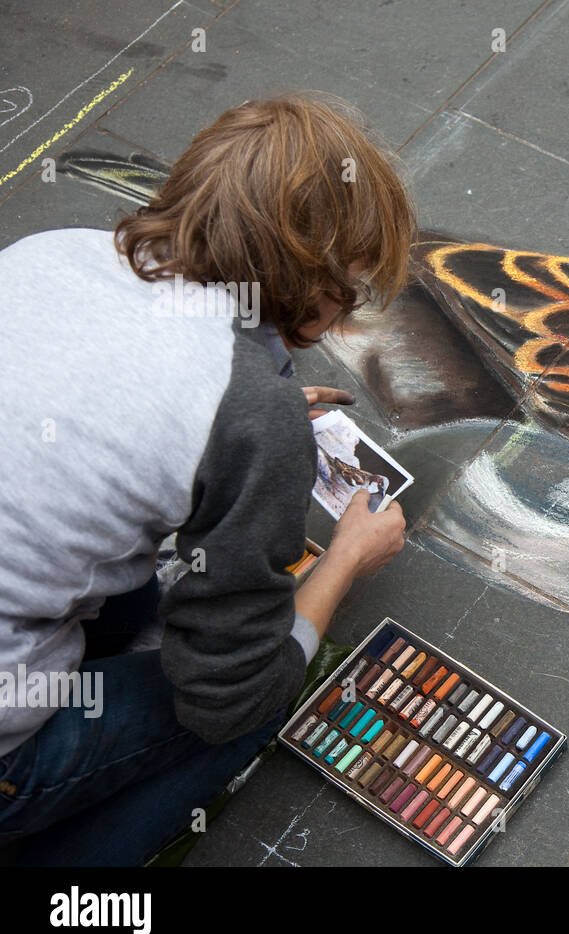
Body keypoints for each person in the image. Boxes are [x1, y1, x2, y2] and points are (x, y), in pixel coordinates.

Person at [0, 94, 416, 864]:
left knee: (139, 584)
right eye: (349, 290)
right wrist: (346, 559)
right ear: (312, 281)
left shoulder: (50, 250)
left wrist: (242, 409)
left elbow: (98, 393)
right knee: (259, 690)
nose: (344, 313)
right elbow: (230, 692)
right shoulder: (248, 414)